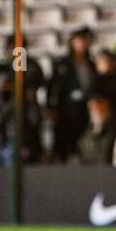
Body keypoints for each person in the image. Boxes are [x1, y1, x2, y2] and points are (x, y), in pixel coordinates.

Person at [47, 28, 97, 162]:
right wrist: (51, 108)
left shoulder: (91, 64)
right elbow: (52, 87)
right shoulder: (62, 64)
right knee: (65, 147)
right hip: (66, 112)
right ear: (72, 42)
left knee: (85, 146)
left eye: (85, 41)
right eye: (79, 41)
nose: (82, 44)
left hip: (86, 112)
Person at [77, 95, 116, 165]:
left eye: (101, 110)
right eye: (94, 110)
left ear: (108, 111)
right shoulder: (84, 138)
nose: (98, 113)